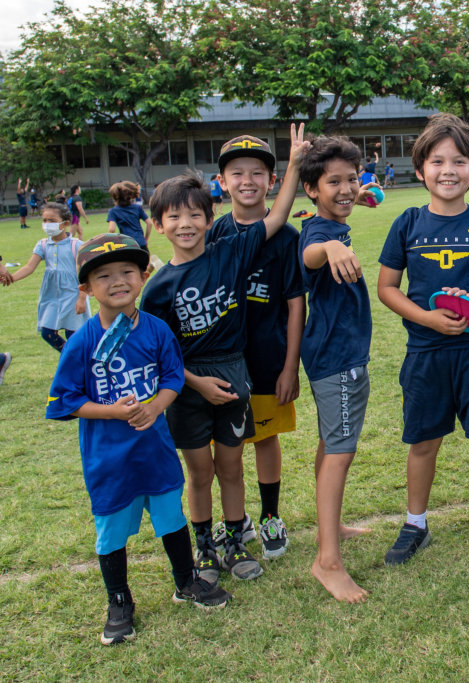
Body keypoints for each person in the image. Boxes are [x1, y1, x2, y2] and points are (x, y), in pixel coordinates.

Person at [139, 124, 306, 586]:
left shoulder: (231, 251)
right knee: (199, 472)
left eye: (194, 216)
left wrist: (293, 163)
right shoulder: (159, 290)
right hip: (190, 384)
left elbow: (275, 220)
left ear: (208, 221)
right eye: (173, 218)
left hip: (240, 372)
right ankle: (205, 546)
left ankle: (238, 538)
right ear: (158, 225)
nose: (185, 225)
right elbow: (160, 353)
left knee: (232, 464)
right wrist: (193, 383)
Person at [45, 233, 232, 646]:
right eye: (103, 275)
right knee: (111, 530)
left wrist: (155, 406)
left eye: (127, 271)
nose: (117, 281)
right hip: (109, 460)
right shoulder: (81, 343)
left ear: (144, 275)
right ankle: (119, 600)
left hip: (156, 452)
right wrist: (115, 411)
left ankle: (186, 582)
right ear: (86, 288)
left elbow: (171, 378)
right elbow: (65, 401)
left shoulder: (156, 330)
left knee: (171, 517)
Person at [377, 113, 469, 570]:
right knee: (423, 442)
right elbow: (386, 288)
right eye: (437, 161)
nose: (448, 170)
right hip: (424, 354)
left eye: (458, 161)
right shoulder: (407, 223)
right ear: (420, 169)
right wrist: (428, 318)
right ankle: (415, 524)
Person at [206, 135, 306, 562]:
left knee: (265, 439)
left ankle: (269, 516)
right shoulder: (214, 232)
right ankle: (236, 522)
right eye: (237, 173)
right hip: (222, 363)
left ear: (272, 180)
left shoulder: (287, 236)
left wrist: (290, 367)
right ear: (222, 181)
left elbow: (295, 304)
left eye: (257, 172)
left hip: (267, 360)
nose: (247, 181)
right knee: (226, 446)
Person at [298, 135, 377, 601]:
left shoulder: (333, 223)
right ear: (311, 188)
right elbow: (310, 251)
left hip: (337, 353)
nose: (346, 188)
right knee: (341, 450)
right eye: (334, 182)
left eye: (352, 179)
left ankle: (333, 527)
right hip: (336, 359)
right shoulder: (319, 233)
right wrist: (329, 249)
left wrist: (355, 198)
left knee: (331, 443)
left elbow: (331, 223)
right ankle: (327, 561)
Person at [5, 202, 90, 352]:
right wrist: (11, 278)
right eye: (44, 220)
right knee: (47, 332)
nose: (47, 224)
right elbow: (29, 267)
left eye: (52, 221)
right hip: (51, 295)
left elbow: (85, 274)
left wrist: (82, 298)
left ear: (65, 224)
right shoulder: (43, 245)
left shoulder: (76, 245)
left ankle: (78, 364)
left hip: (72, 295)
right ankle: (70, 357)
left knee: (73, 334)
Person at [107, 181, 153, 258]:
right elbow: (149, 223)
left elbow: (112, 229)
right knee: (144, 268)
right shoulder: (137, 208)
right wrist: (145, 239)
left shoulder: (113, 211)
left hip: (126, 245)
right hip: (141, 243)